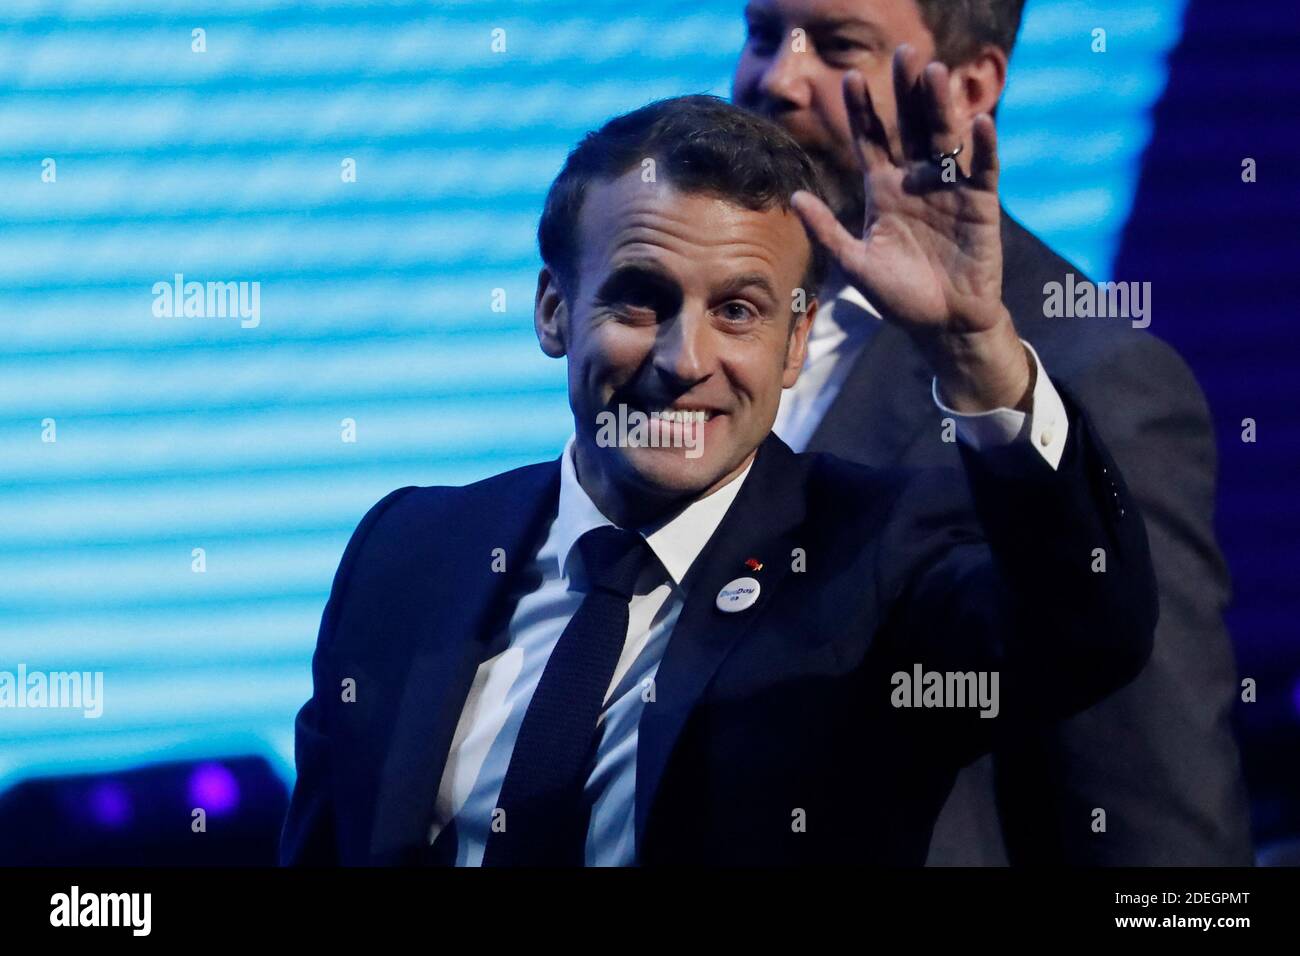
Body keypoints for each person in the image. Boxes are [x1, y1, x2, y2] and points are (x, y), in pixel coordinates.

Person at [280, 89, 1156, 866]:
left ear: (796, 344)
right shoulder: (408, 552)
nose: (683, 359)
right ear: (554, 311)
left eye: (737, 310)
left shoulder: (877, 556)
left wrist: (975, 353)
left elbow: (1088, 632)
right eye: (640, 299)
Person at [733, 0, 1251, 865]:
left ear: (971, 84)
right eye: (761, 35)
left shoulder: (1090, 381)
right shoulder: (689, 339)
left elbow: (1161, 825)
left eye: (836, 46)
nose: (777, 79)